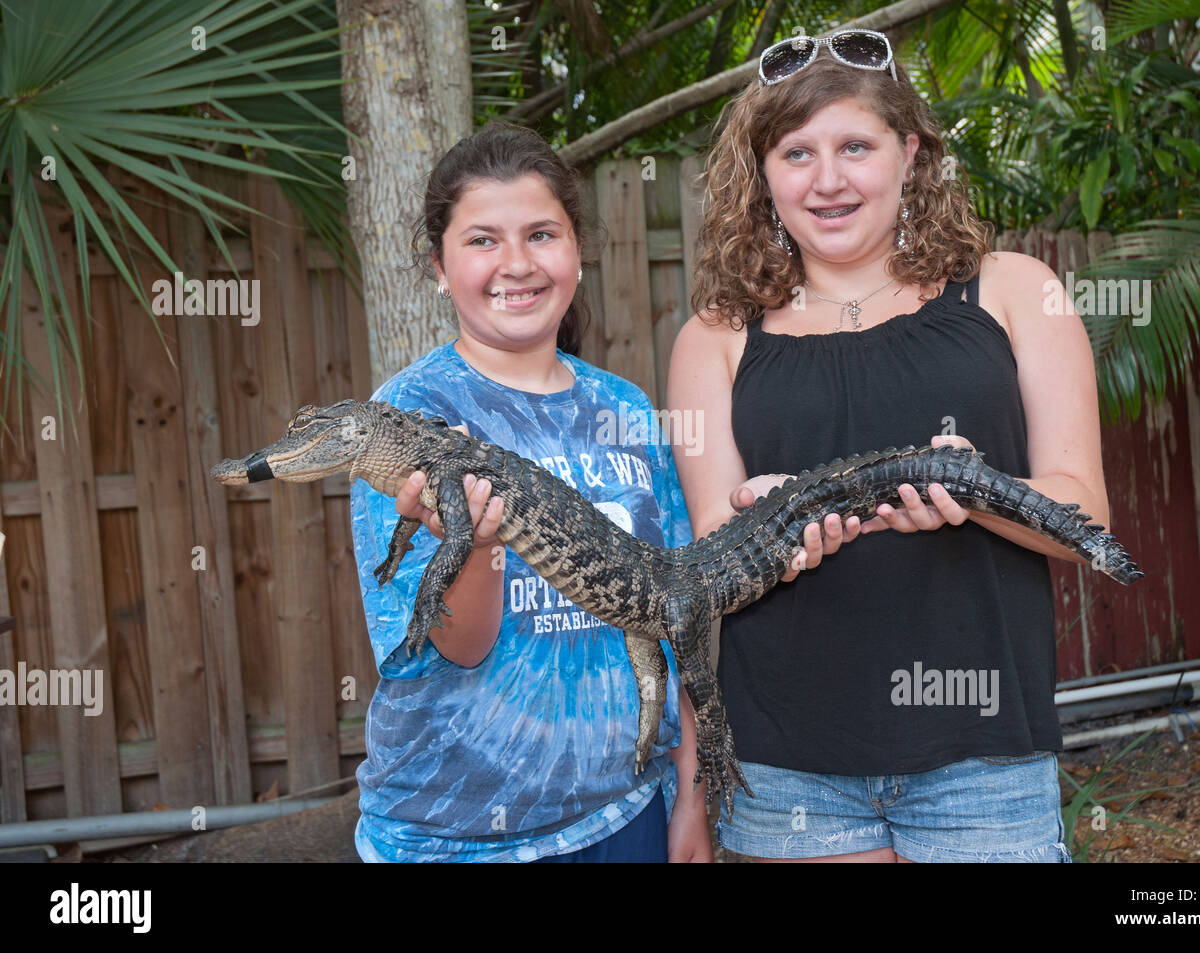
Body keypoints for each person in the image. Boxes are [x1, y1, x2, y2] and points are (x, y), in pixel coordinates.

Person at [667, 29, 1111, 862]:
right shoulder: (715, 339)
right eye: (797, 153)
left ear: (909, 152)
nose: (827, 179)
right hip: (788, 766)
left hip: (982, 752)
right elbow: (707, 570)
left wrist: (973, 495)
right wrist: (769, 532)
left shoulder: (1015, 291)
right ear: (763, 172)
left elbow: (1085, 516)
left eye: (855, 147)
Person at [348, 121, 724, 861]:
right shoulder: (407, 419)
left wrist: (691, 797)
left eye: (542, 235)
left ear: (577, 252)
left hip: (625, 818)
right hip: (454, 839)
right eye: (482, 240)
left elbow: (678, 609)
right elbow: (452, 648)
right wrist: (476, 546)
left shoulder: (626, 409)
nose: (516, 263)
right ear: (438, 265)